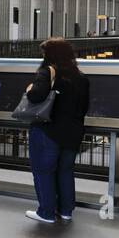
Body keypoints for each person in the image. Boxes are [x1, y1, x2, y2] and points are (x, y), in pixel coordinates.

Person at [24, 36, 91, 224]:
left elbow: (36, 96)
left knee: (43, 171)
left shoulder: (48, 72)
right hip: (72, 133)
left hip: (48, 131)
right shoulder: (81, 77)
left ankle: (46, 212)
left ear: (49, 55)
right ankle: (66, 211)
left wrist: (30, 89)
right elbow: (83, 108)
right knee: (65, 171)